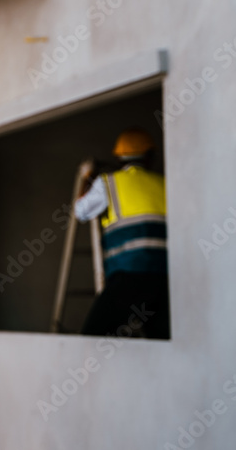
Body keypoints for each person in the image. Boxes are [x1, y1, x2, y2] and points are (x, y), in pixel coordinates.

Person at [74, 127, 170, 339]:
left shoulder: (107, 183)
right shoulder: (166, 184)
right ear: (150, 157)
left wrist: (86, 178)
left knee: (92, 339)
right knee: (163, 344)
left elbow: (80, 211)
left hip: (127, 280)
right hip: (165, 282)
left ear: (118, 158)